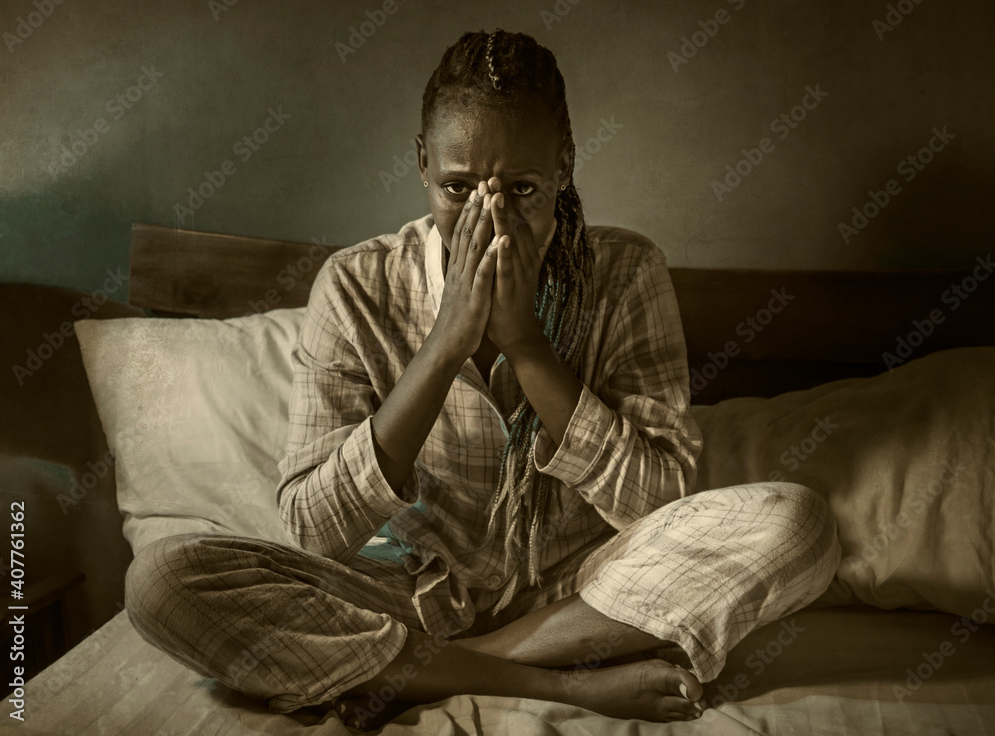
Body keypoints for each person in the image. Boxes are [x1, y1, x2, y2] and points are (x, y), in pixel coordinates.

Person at [125, 29, 841, 729]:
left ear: (564, 164)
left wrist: (525, 345)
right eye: (458, 188)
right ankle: (551, 682)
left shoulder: (626, 274)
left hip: (581, 593)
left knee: (798, 525)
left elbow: (656, 499)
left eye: (522, 188)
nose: (490, 219)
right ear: (421, 162)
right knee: (161, 583)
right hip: (405, 595)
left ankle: (439, 668)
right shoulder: (355, 286)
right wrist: (444, 346)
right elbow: (314, 531)